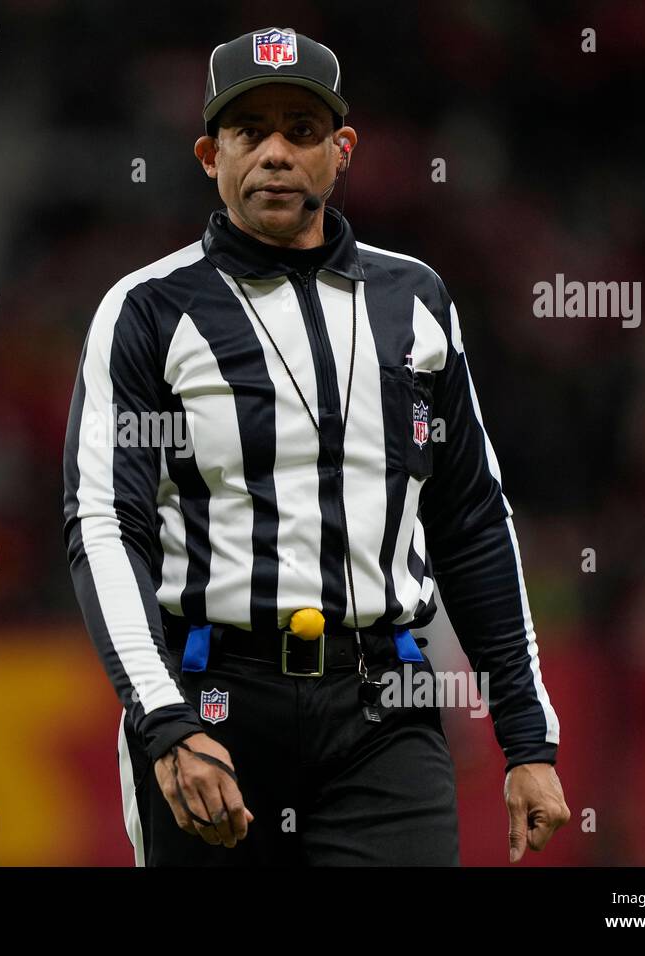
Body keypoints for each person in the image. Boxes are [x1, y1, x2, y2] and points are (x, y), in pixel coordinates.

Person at [62, 26, 569, 865]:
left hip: (386, 708)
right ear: (206, 153)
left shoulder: (416, 299)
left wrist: (526, 735)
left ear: (342, 150)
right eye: (248, 131)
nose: (274, 153)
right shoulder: (146, 309)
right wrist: (163, 719)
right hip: (215, 699)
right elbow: (106, 524)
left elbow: (471, 519)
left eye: (300, 130)